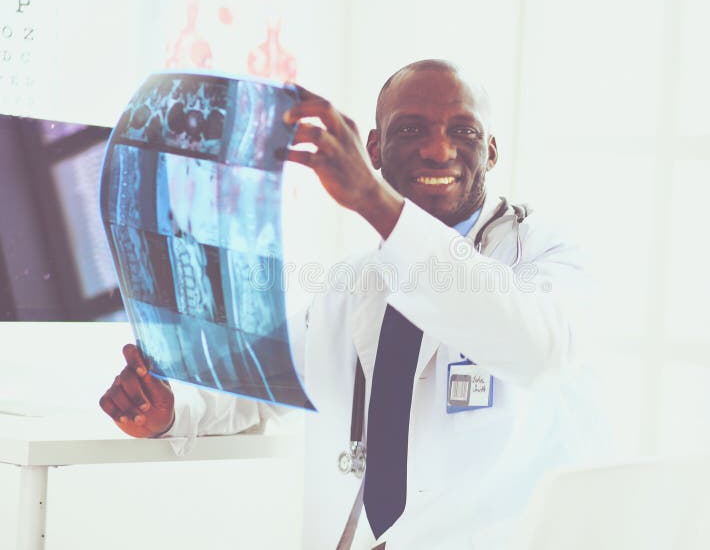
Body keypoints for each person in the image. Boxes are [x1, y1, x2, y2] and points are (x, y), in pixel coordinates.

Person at [99, 59, 606, 549]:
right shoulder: (353, 284)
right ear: (375, 147)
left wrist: (372, 199)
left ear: (492, 151)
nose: (438, 149)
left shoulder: (544, 255)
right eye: (410, 130)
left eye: (464, 131)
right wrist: (168, 407)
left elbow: (539, 348)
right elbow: (257, 382)